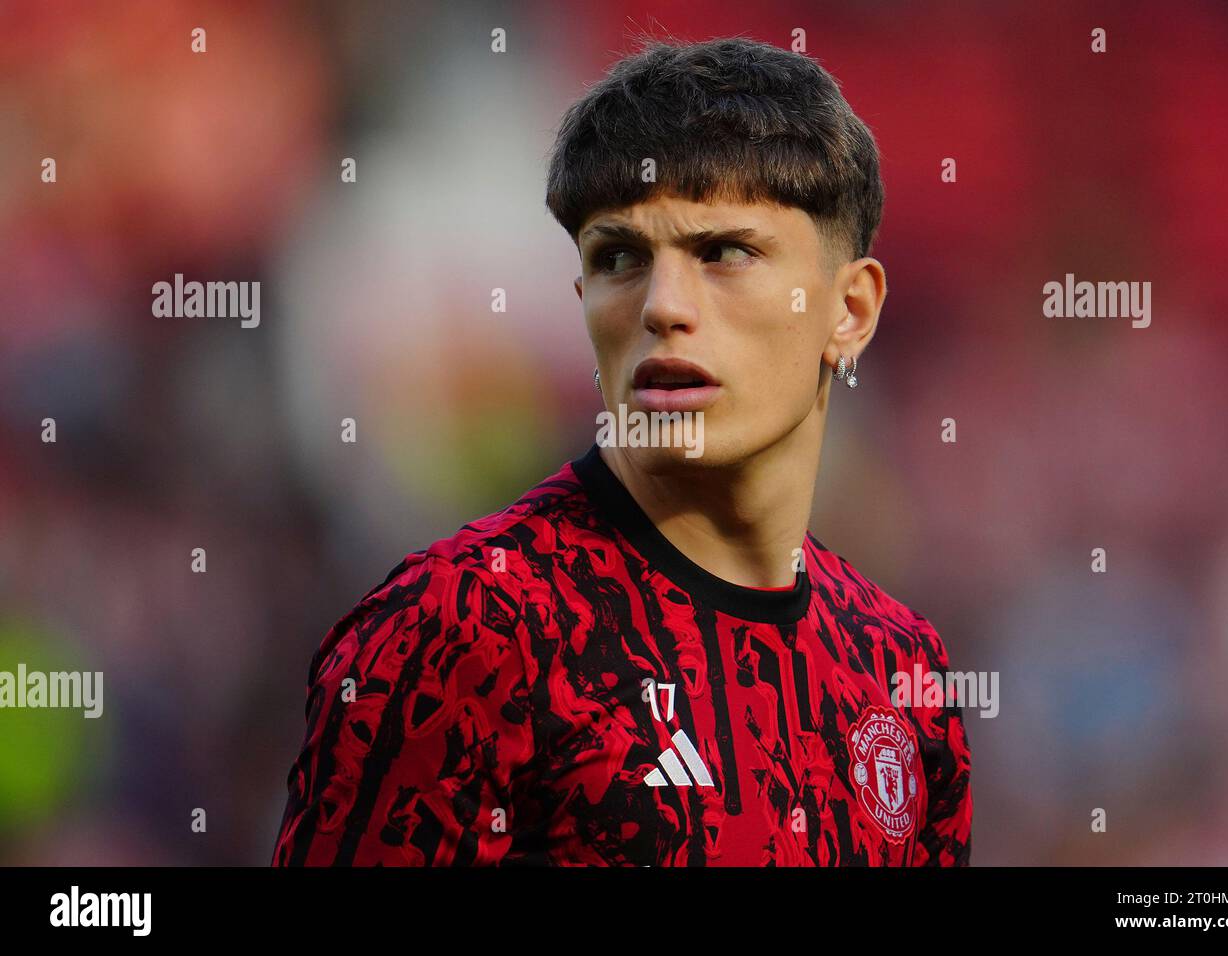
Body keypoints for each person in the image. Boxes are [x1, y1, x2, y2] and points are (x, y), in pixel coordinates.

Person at [272, 35, 971, 866]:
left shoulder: (904, 673)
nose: (664, 306)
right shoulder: (462, 631)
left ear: (849, 311)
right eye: (620, 259)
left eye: (724, 253)